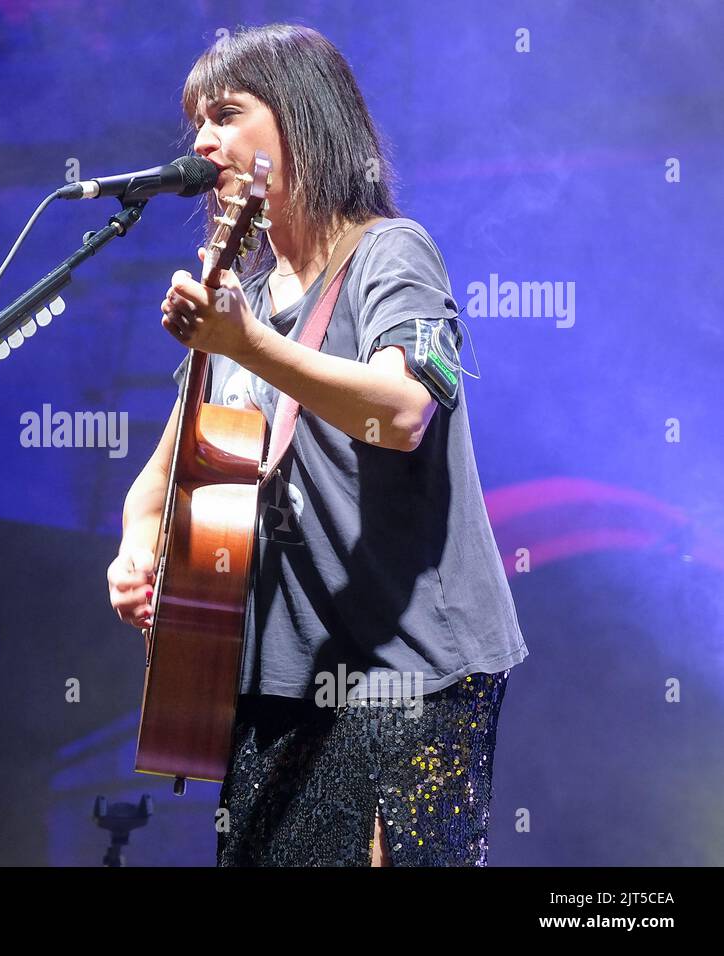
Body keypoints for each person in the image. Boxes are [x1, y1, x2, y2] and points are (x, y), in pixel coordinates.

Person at [106, 23, 527, 866]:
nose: (201, 141)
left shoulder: (390, 253)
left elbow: (404, 411)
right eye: (196, 120)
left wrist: (248, 345)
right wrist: (133, 552)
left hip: (409, 676)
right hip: (273, 687)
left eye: (226, 113)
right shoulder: (246, 299)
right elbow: (157, 486)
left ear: (299, 120)